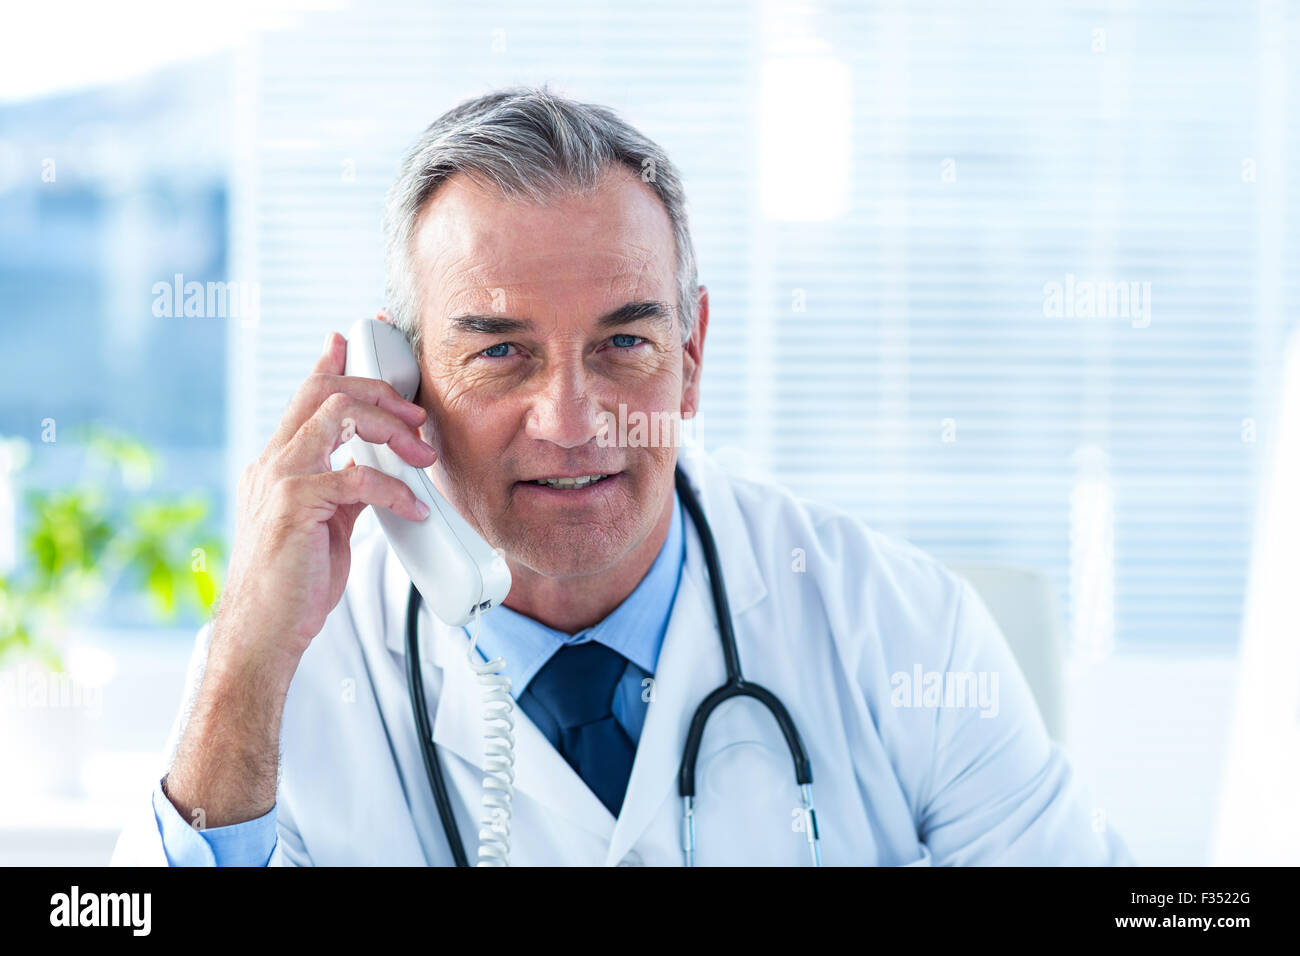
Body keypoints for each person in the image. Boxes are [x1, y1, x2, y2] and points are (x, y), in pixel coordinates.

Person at [111, 85, 1131, 866]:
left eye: (624, 343)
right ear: (401, 381)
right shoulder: (288, 666)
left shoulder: (899, 625)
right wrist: (243, 661)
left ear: (691, 355)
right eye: (501, 351)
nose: (570, 421)